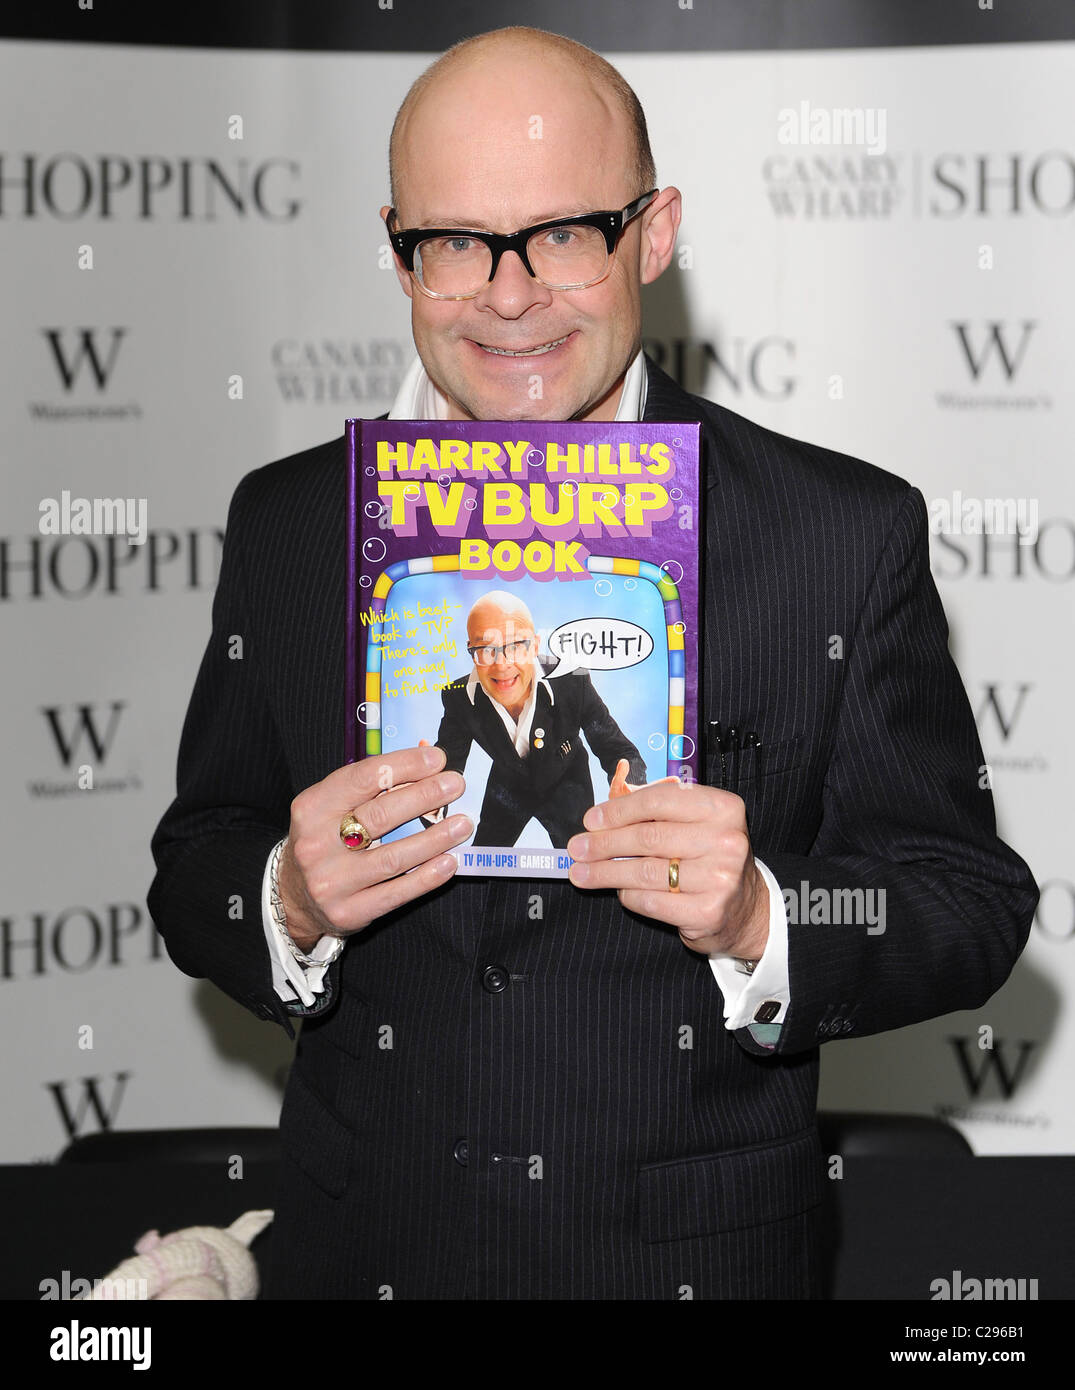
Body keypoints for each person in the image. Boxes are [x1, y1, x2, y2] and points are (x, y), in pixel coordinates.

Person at [149, 26, 1038, 1300]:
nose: (509, 296)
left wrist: (765, 918)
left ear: (653, 233)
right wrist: (284, 894)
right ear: (395, 245)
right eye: (455, 241)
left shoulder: (836, 535)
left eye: (565, 232)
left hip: (688, 1265)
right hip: (368, 1252)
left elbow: (964, 903)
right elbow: (196, 866)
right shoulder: (293, 523)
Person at [423, 590, 646, 848]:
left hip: (568, 783)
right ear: (471, 650)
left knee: (585, 868)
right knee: (484, 869)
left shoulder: (573, 681)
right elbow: (448, 768)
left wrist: (632, 793)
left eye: (516, 646)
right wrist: (425, 798)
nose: (502, 664)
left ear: (536, 646)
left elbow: (618, 749)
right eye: (485, 649)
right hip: (507, 786)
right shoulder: (458, 698)